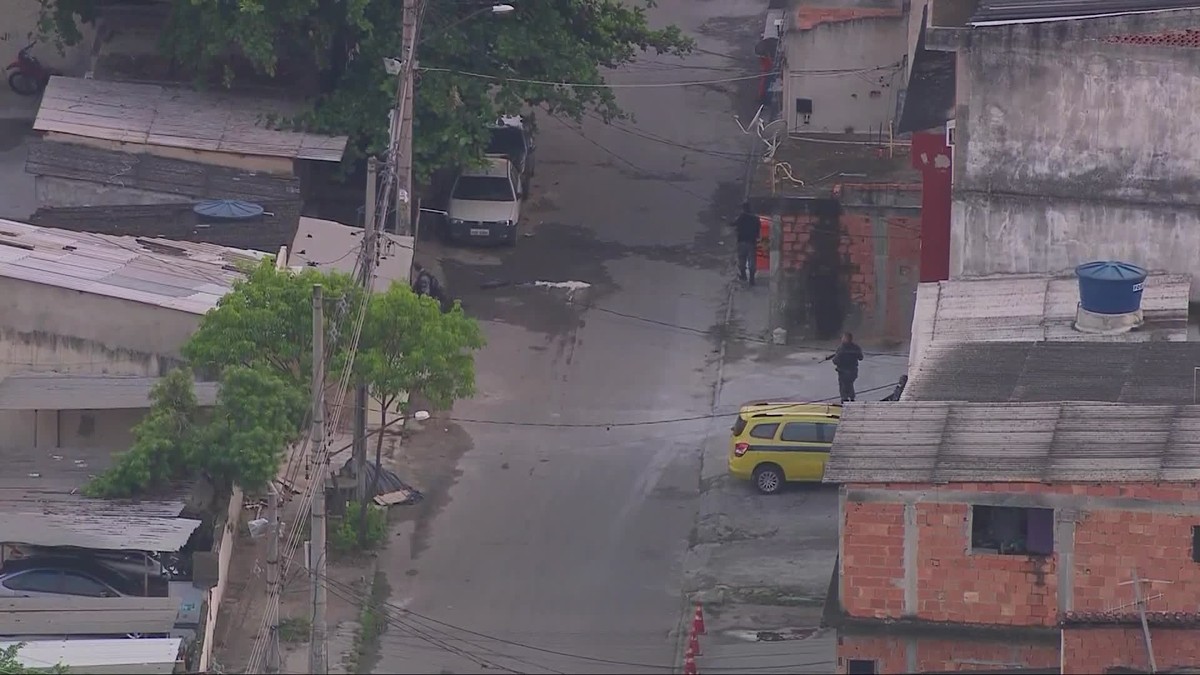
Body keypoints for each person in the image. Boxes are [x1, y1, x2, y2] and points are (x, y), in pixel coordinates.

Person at [824, 332, 864, 403]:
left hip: (843, 371)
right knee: (849, 384)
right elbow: (861, 357)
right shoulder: (856, 347)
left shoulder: (841, 348)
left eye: (843, 337)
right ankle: (852, 399)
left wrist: (835, 359)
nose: (842, 339)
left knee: (843, 386)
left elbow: (835, 361)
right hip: (853, 371)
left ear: (846, 339)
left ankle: (845, 400)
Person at [730, 201, 760, 286]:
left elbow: (733, 224)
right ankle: (752, 279)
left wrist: (726, 221)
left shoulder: (741, 217)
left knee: (742, 259)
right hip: (752, 242)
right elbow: (758, 231)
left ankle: (743, 276)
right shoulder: (755, 218)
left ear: (743, 209)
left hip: (742, 241)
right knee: (752, 261)